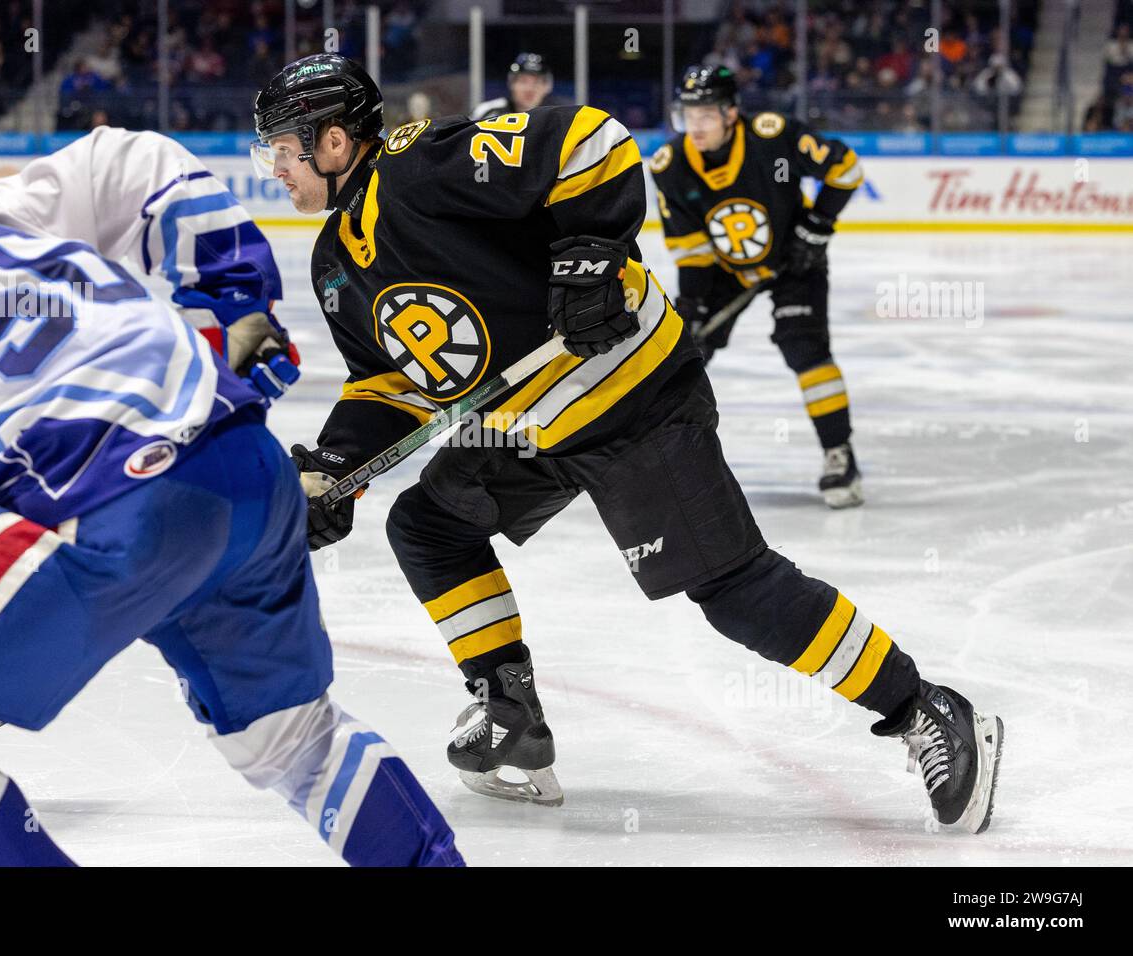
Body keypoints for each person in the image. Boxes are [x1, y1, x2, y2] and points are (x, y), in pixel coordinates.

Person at [254, 54, 1003, 833]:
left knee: (734, 591)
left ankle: (926, 707)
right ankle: (510, 709)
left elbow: (590, 141)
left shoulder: (423, 167)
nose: (274, 168)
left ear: (335, 142)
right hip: (531, 421)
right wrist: (335, 471)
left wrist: (590, 255)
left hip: (630, 393)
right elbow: (393, 382)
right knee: (428, 524)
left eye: (282, 148)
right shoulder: (336, 263)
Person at [0, 102, 461, 867]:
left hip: (105, 505)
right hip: (245, 463)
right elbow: (133, 162)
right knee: (291, 737)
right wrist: (236, 301)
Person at [651, 65, 866, 507]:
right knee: (684, 352)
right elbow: (692, 249)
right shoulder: (670, 167)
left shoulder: (774, 137)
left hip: (794, 260)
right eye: (688, 115)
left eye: (706, 115)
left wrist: (817, 226)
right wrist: (692, 304)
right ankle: (661, 461)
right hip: (726, 272)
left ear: (731, 113)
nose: (695, 127)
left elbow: (845, 169)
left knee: (803, 347)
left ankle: (838, 454)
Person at [471, 52, 553, 121]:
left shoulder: (555, 118)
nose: (529, 88)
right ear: (511, 83)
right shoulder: (487, 112)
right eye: (523, 81)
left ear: (547, 87)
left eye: (537, 82)